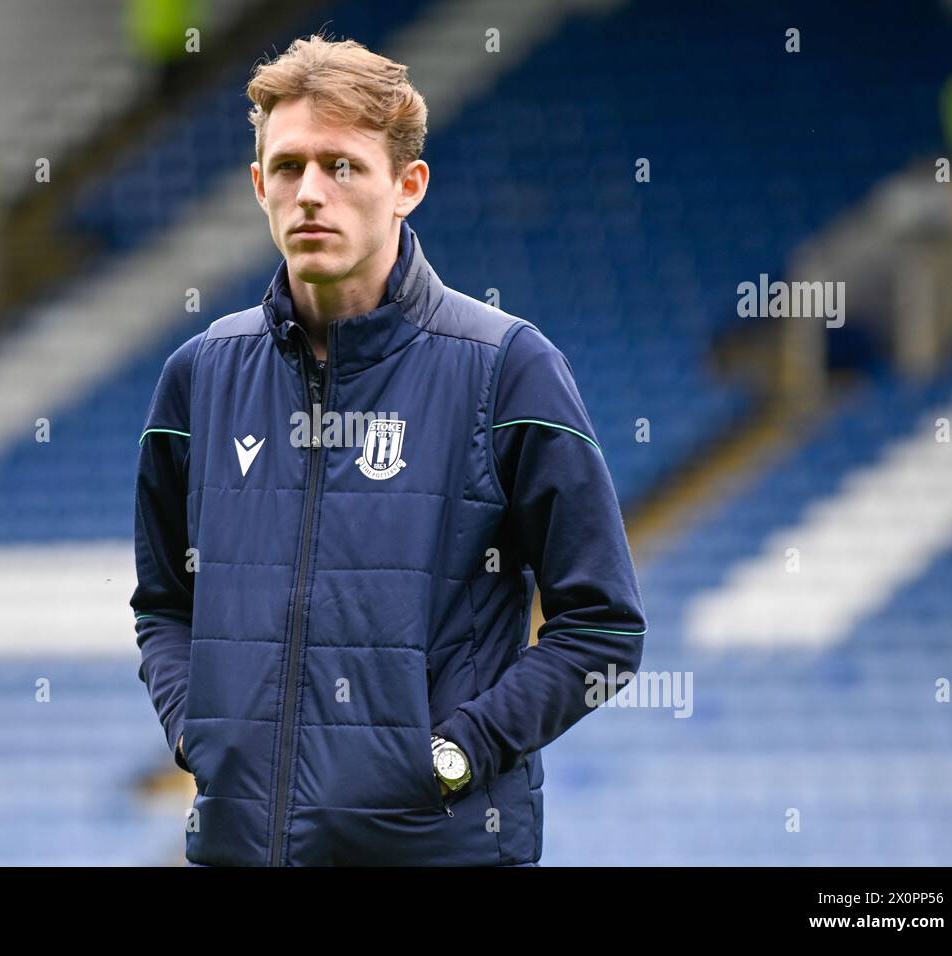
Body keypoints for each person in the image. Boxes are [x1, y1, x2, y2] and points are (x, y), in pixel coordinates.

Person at [131, 34, 646, 866]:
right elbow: (164, 605)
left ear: (408, 186)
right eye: (289, 167)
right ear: (259, 185)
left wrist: (453, 756)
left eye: (341, 166)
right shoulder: (199, 378)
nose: (310, 194)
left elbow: (603, 629)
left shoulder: (506, 370)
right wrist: (204, 737)